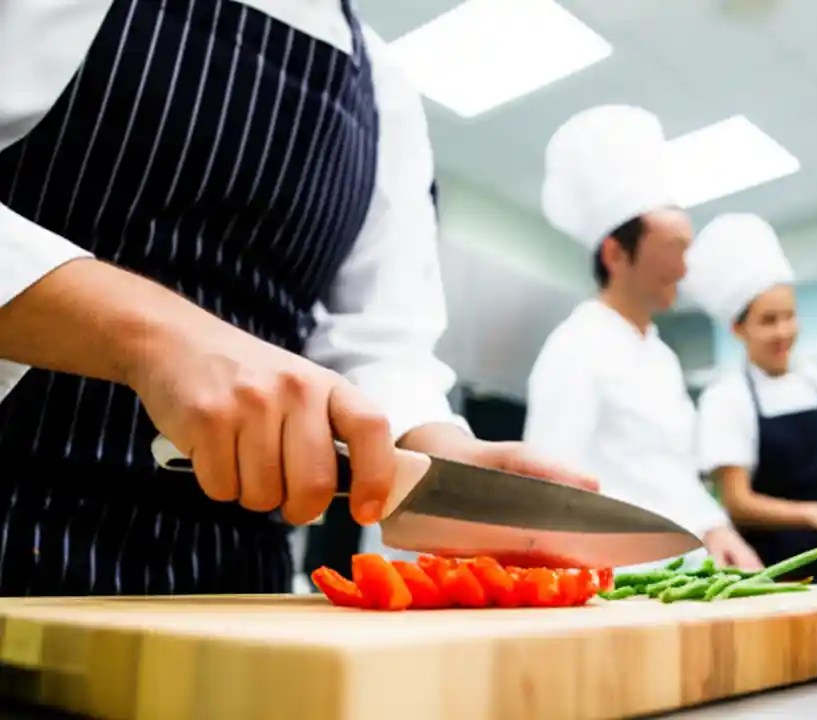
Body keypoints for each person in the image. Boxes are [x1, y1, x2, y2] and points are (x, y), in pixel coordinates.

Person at [0, 0, 591, 597]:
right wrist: (155, 337)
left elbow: (381, 340)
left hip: (232, 568)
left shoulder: (383, 88)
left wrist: (442, 458)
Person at [524, 105, 761, 571]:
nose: (685, 268)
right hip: (616, 581)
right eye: (674, 248)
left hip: (683, 573)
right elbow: (547, 486)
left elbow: (672, 471)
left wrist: (717, 527)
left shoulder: (661, 356)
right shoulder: (574, 347)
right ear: (616, 253)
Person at [683, 213, 817, 584]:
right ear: (738, 328)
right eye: (768, 320)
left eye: (790, 316)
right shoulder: (726, 398)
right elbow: (737, 501)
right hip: (765, 570)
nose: (783, 331)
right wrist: (815, 513)